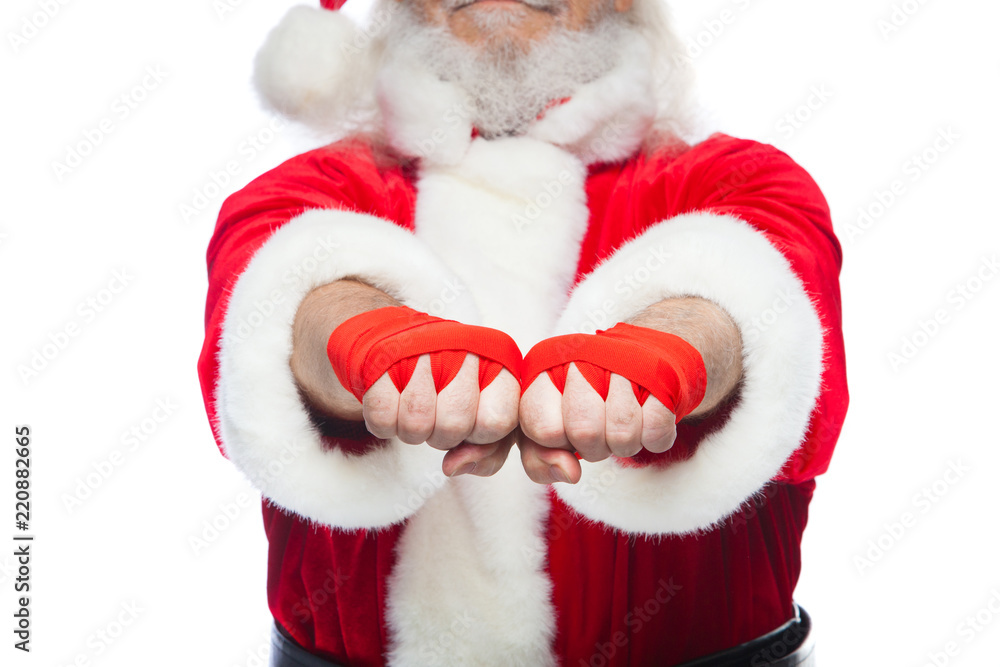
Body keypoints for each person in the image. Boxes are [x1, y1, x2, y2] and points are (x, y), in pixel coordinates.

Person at [197, 0, 849, 663]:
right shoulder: (299, 196)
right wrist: (356, 335)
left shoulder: (744, 185)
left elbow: (776, 313)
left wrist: (684, 345)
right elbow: (270, 320)